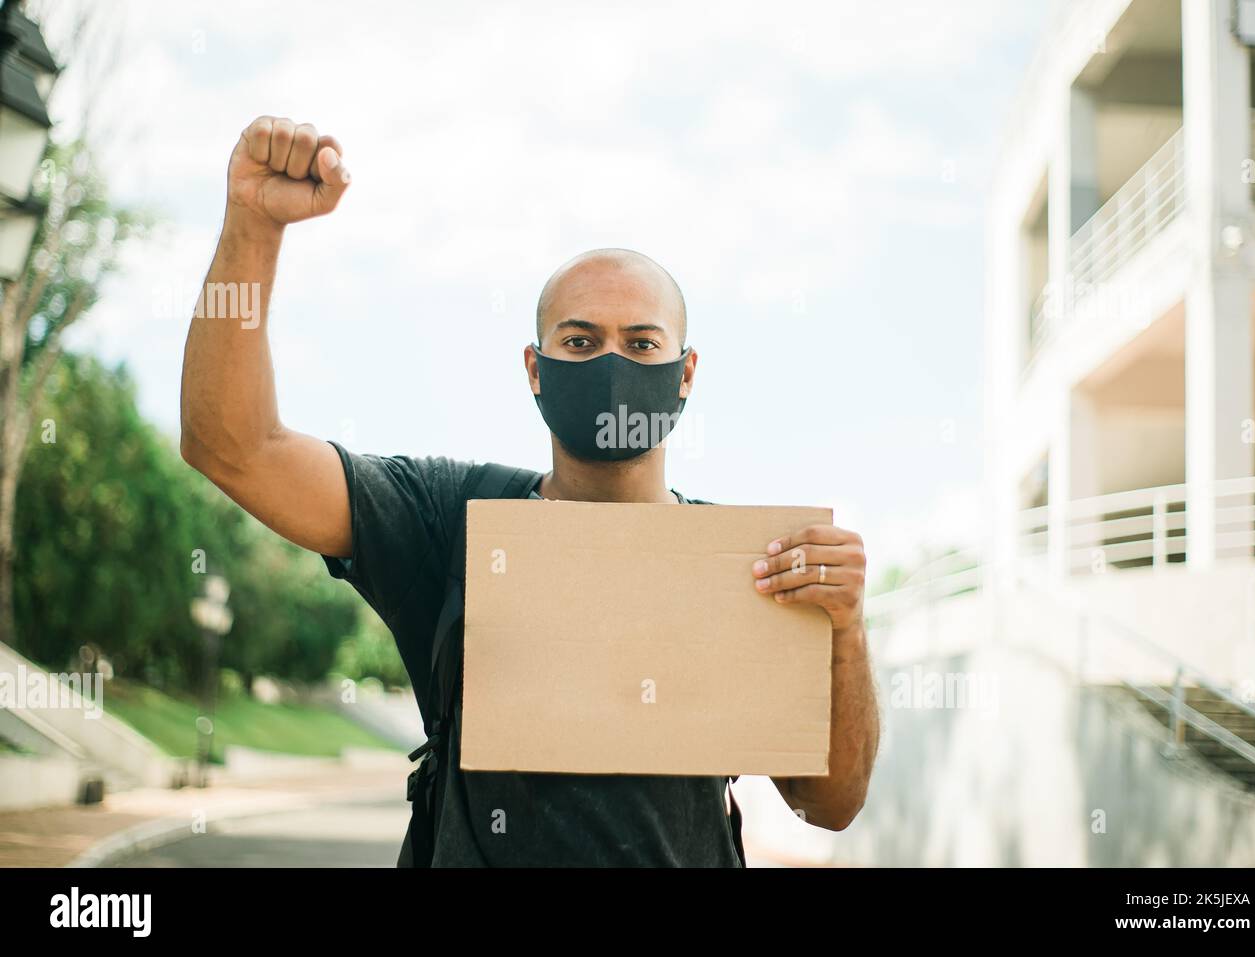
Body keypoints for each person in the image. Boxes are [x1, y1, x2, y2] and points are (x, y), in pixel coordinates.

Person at [180, 116, 881, 866]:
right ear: (535, 368)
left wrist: (845, 629)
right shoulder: (450, 519)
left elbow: (828, 803)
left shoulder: (744, 563)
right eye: (580, 341)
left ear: (685, 373)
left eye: (641, 343)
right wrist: (252, 226)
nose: (611, 363)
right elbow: (233, 446)